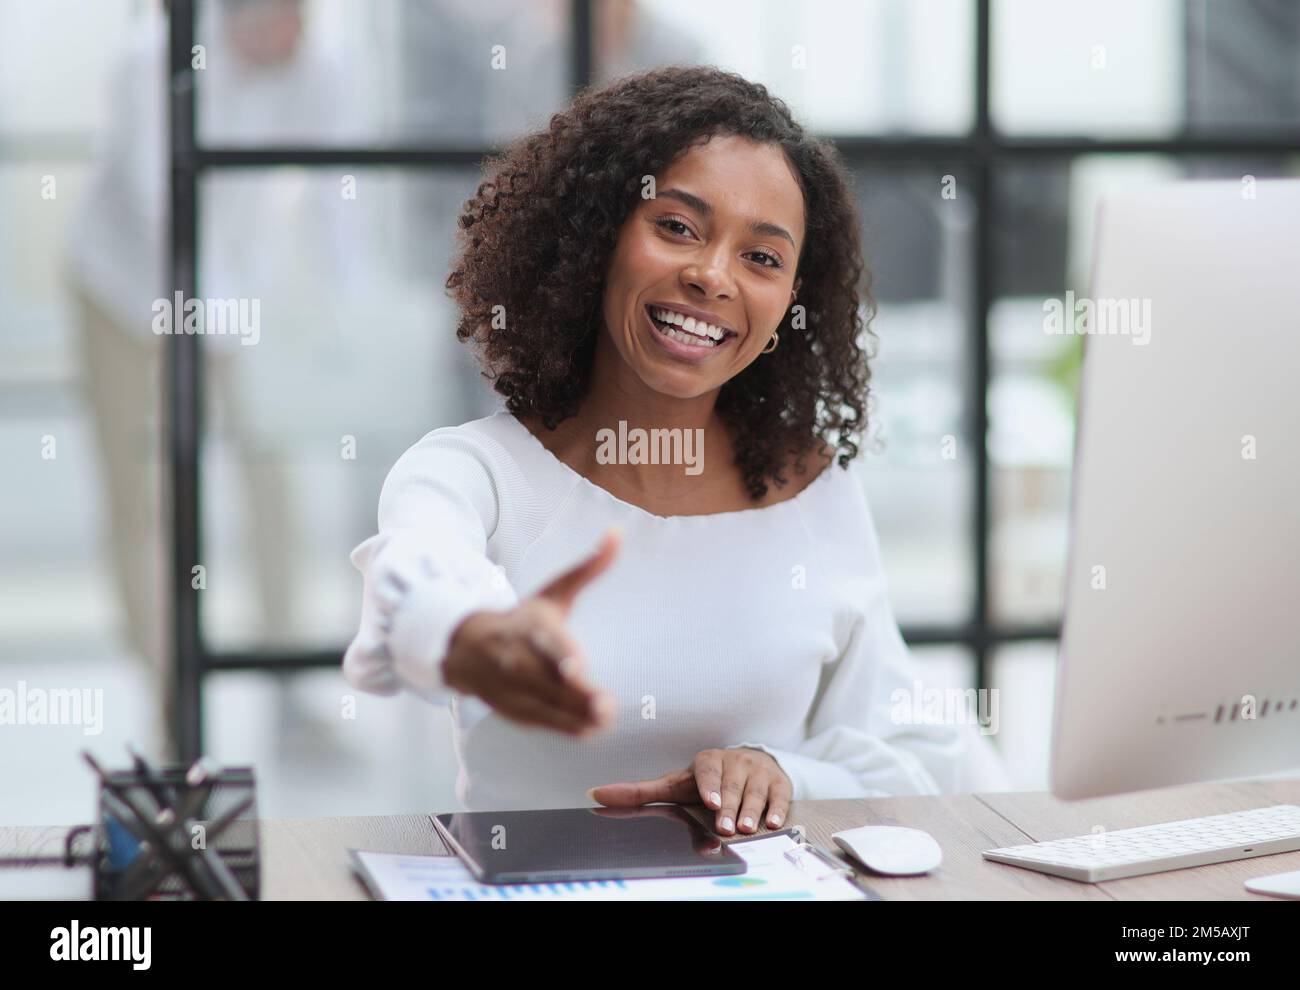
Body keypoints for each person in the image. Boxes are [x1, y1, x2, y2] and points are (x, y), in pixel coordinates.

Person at [344, 66, 1003, 830]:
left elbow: (908, 742)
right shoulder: (473, 472)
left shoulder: (814, 489)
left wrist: (781, 772)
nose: (711, 276)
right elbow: (416, 587)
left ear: (792, 297)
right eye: (678, 227)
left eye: (762, 258)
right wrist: (469, 637)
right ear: (596, 237)